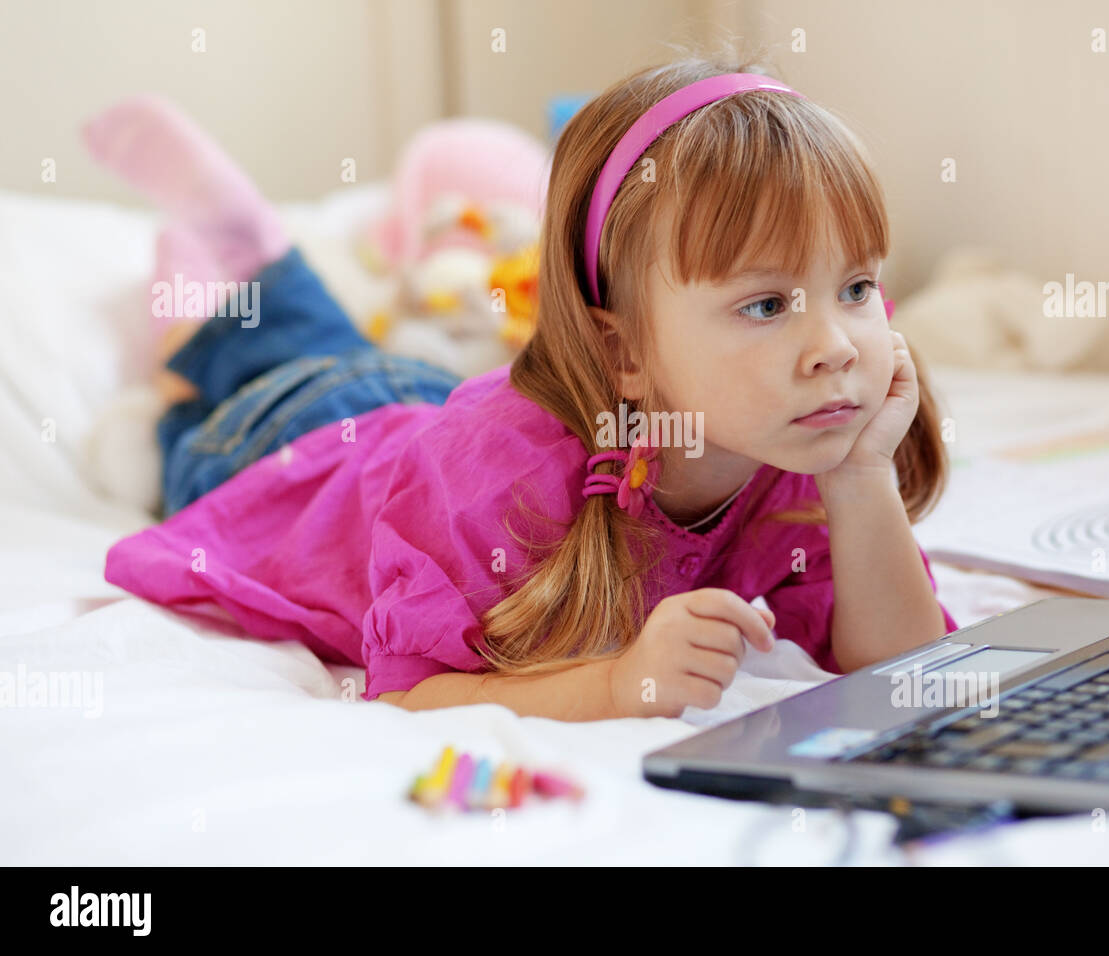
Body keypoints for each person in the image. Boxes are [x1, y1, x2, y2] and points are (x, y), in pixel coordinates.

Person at [99, 52, 958, 722]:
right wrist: (616, 685)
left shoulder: (796, 437)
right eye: (767, 304)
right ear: (623, 351)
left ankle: (260, 264)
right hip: (307, 445)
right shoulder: (500, 487)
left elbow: (899, 667)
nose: (836, 346)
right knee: (216, 411)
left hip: (426, 400)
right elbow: (406, 696)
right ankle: (223, 275)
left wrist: (860, 478)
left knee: (341, 351)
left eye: (855, 289)